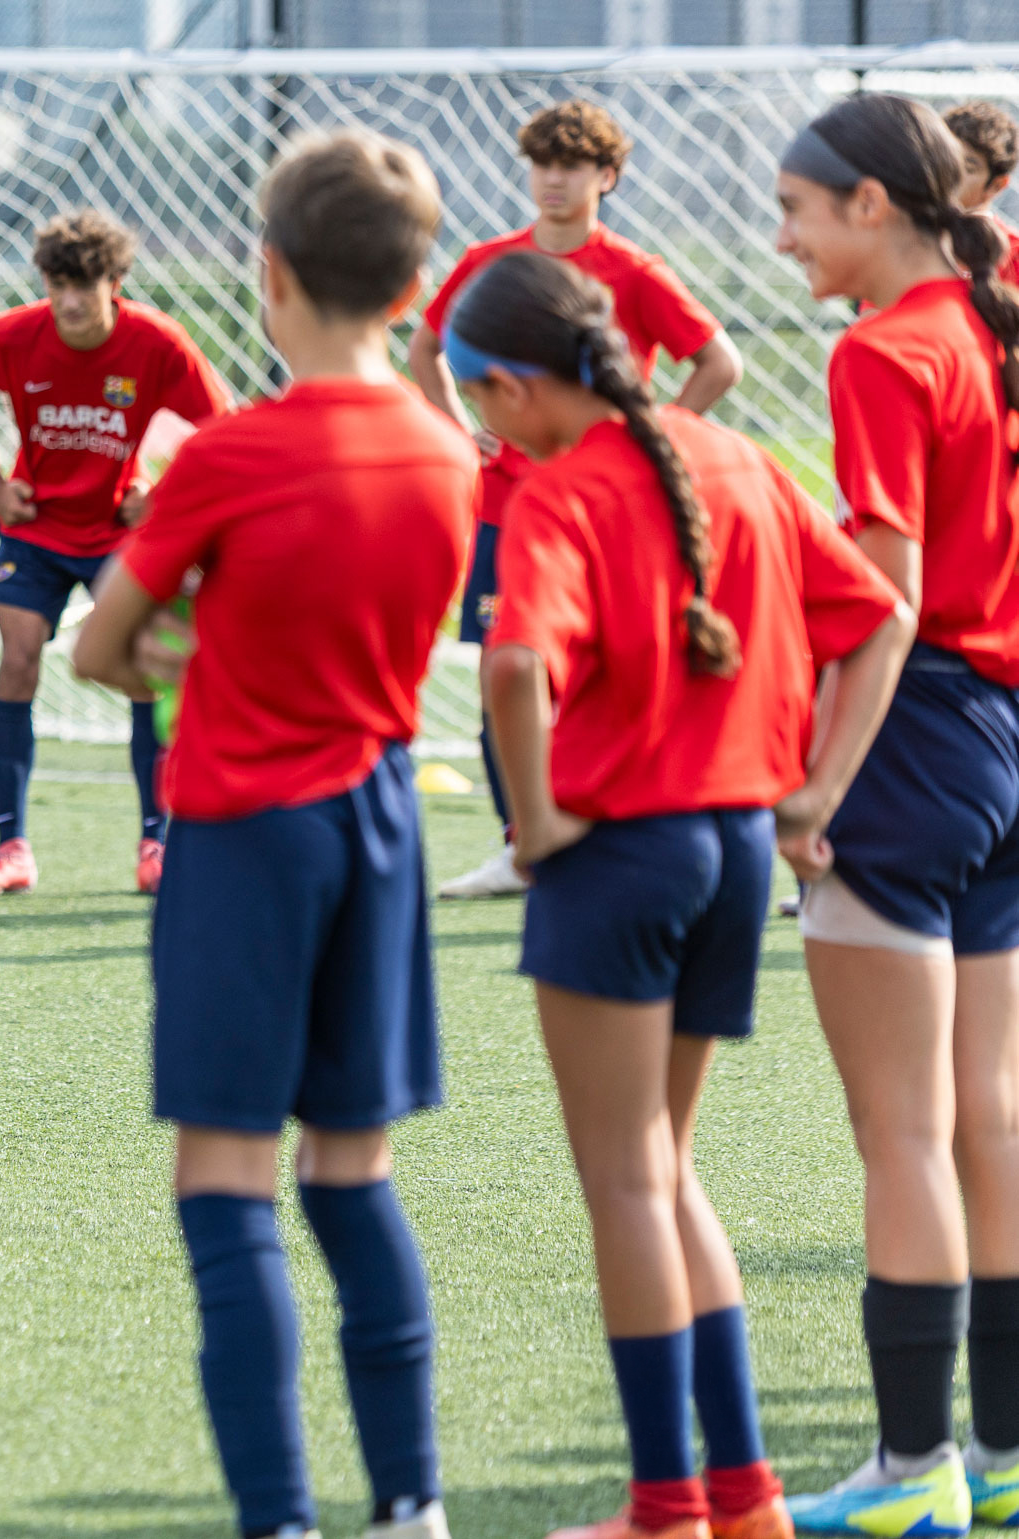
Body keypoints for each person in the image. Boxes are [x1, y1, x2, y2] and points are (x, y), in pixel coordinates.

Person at [459, 250, 913, 1539]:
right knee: (664, 1169)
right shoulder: (739, 459)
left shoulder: (558, 497)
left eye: (475, 398)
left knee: (623, 1182)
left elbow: (509, 669)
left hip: (622, 859)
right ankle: (746, 1495)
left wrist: (538, 821)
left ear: (508, 388)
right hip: (734, 853)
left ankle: (665, 1506)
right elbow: (877, 618)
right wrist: (812, 794)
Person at [72, 132, 478, 1539]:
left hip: (244, 827)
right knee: (354, 1172)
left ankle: (279, 1516)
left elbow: (102, 649)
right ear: (418, 282)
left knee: (228, 1177)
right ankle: (413, 1501)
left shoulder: (233, 452)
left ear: (271, 272)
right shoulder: (448, 454)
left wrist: (185, 648)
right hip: (377, 827)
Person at [771, 93, 1019, 1535]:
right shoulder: (997, 321)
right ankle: (999, 1455)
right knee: (988, 1117)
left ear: (873, 203)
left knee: (905, 1132)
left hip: (915, 736)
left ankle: (909, 1468)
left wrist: (814, 784)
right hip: (1004, 738)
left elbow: (885, 597)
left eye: (798, 208)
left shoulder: (887, 349)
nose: (784, 238)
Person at [410, 98, 743, 899]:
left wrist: (654, 437)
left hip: (608, 511)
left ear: (608, 176)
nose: (553, 179)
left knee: (617, 665)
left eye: (573, 165)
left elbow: (719, 360)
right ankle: (521, 841)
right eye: (541, 163)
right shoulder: (492, 262)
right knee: (506, 667)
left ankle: (619, 821)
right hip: (507, 509)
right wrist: (460, 431)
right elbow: (426, 346)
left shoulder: (633, 270)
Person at [0, 210, 230, 899]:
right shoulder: (14, 334)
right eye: (57, 283)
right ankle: (10, 846)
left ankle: (156, 840)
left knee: (143, 670)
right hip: (37, 528)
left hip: (118, 532)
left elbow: (219, 433)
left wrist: (161, 494)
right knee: (16, 658)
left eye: (86, 283)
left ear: (116, 281)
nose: (71, 300)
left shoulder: (157, 342)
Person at [944, 100, 1019, 284]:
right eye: (945, 158)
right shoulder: (910, 240)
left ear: (997, 185)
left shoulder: (1014, 255)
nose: (950, 172)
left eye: (968, 167)